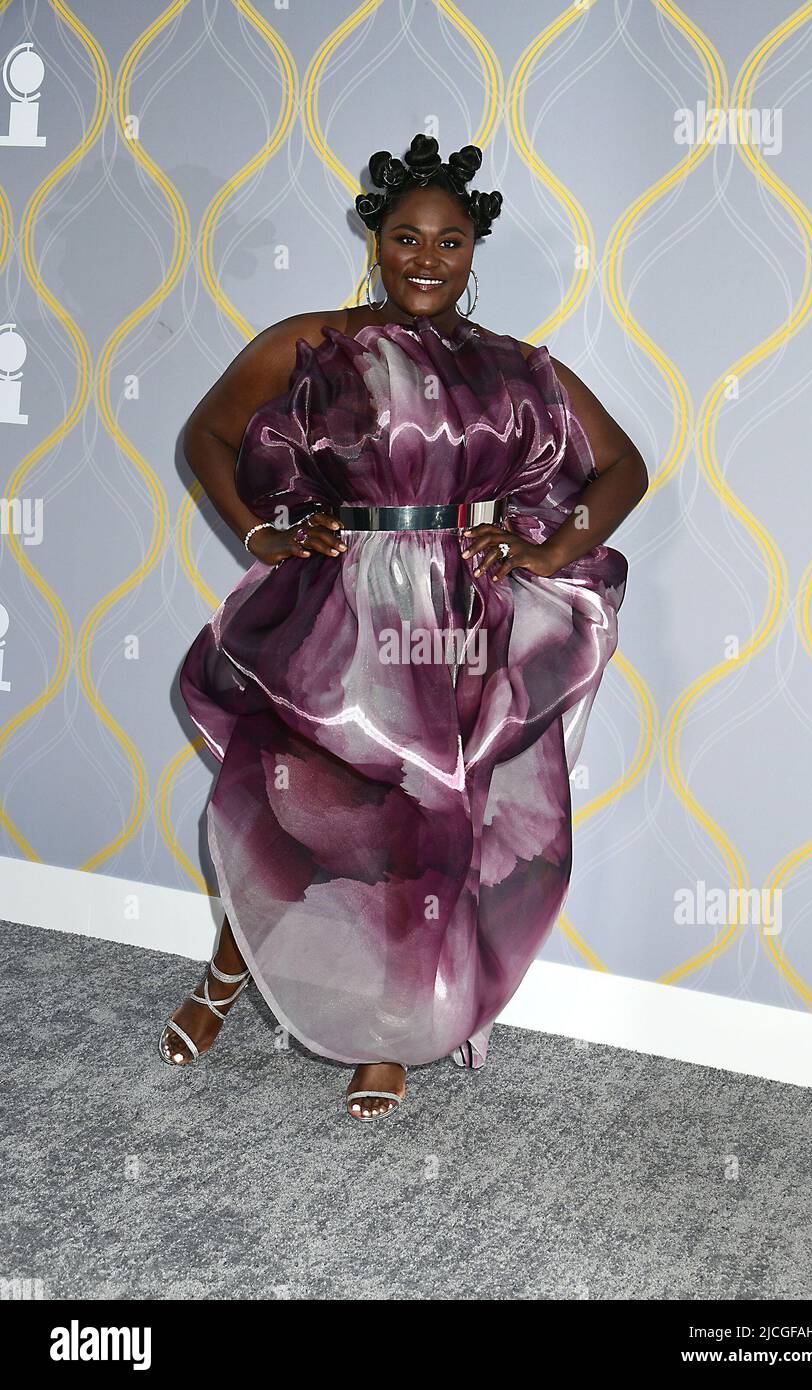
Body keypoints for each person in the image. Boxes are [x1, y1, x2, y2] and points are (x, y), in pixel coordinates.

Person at [160, 133, 648, 1120]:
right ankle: (221, 979)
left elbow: (623, 467)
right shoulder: (316, 344)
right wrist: (259, 528)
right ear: (375, 240)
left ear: (474, 251)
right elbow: (206, 434)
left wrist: (550, 555)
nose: (427, 258)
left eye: (450, 241)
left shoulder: (516, 368)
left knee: (426, 829)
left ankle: (389, 1033)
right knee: (299, 811)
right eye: (407, 238)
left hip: (459, 621)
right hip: (341, 611)